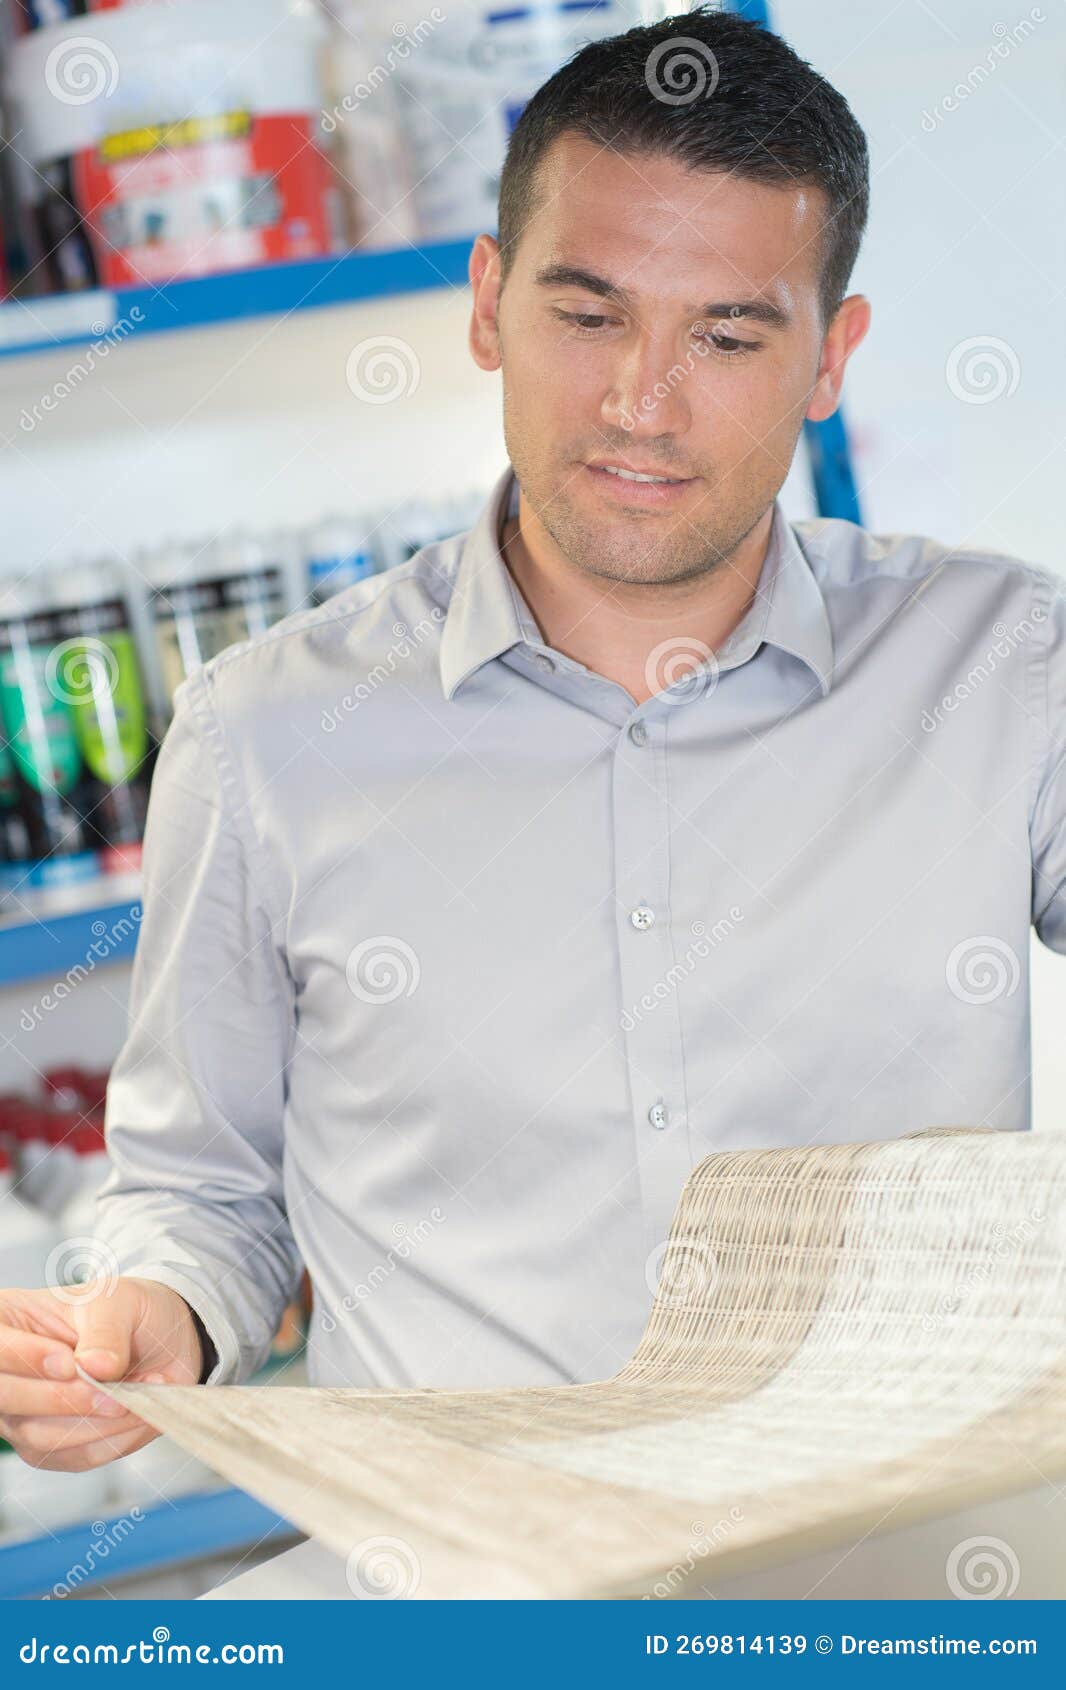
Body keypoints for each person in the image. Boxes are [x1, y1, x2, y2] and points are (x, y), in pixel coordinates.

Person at [2, 5, 1062, 1477]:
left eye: (729, 333)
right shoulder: (264, 732)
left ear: (830, 357)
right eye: (588, 313)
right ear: (489, 302)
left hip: (892, 1581)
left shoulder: (1003, 664)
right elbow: (203, 1186)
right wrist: (151, 1316)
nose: (643, 401)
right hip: (457, 1594)